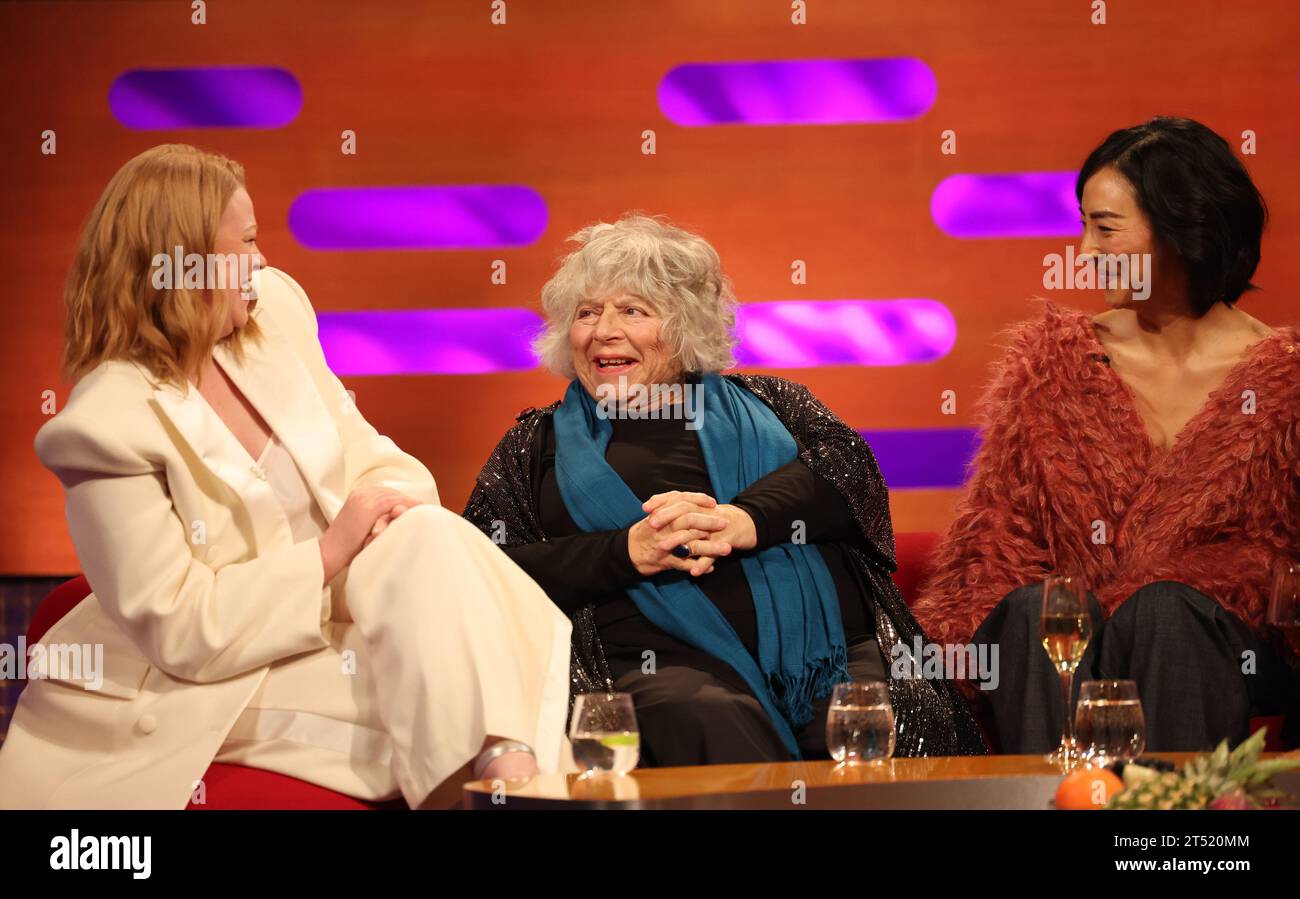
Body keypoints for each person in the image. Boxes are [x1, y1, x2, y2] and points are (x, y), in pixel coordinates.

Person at [0, 144, 572, 809]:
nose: (263, 260)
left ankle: (508, 775)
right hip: (218, 669)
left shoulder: (273, 312)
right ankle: (502, 781)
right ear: (186, 265)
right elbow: (185, 630)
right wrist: (331, 550)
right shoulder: (103, 426)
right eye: (245, 242)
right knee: (447, 686)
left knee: (431, 538)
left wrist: (386, 511)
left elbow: (366, 453)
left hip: (347, 614)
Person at [465, 213, 985, 765]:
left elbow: (848, 473)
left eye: (633, 311)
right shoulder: (536, 444)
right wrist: (627, 550)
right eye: (586, 313)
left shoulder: (773, 402)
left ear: (685, 325)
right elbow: (484, 567)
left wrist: (742, 521)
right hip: (659, 670)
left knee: (868, 713)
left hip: (828, 654)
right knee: (705, 716)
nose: (603, 331)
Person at [913, 117, 1300, 752]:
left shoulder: (1284, 378)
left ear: (1184, 228)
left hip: (1221, 649)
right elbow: (991, 550)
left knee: (1164, 612)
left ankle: (1168, 844)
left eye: (1105, 227)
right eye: (1084, 226)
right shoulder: (1055, 364)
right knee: (1038, 611)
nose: (1084, 252)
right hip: (1068, 651)